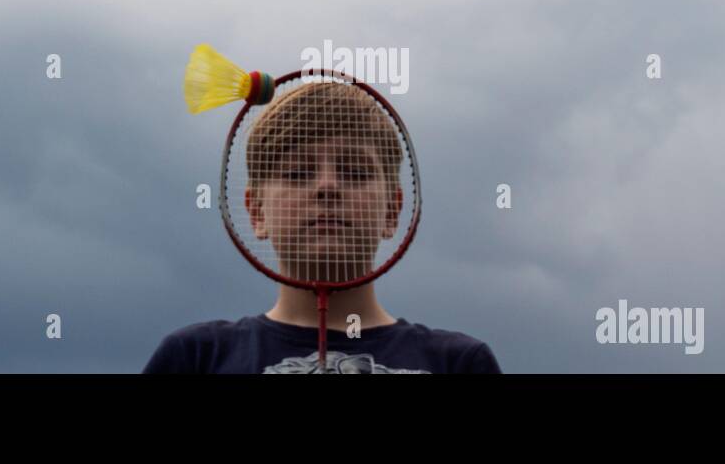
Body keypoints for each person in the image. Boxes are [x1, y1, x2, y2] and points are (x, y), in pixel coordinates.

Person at [144, 82, 501, 374]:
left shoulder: (458, 363)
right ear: (257, 212)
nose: (327, 187)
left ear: (393, 210)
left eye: (355, 173)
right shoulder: (195, 358)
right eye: (298, 173)